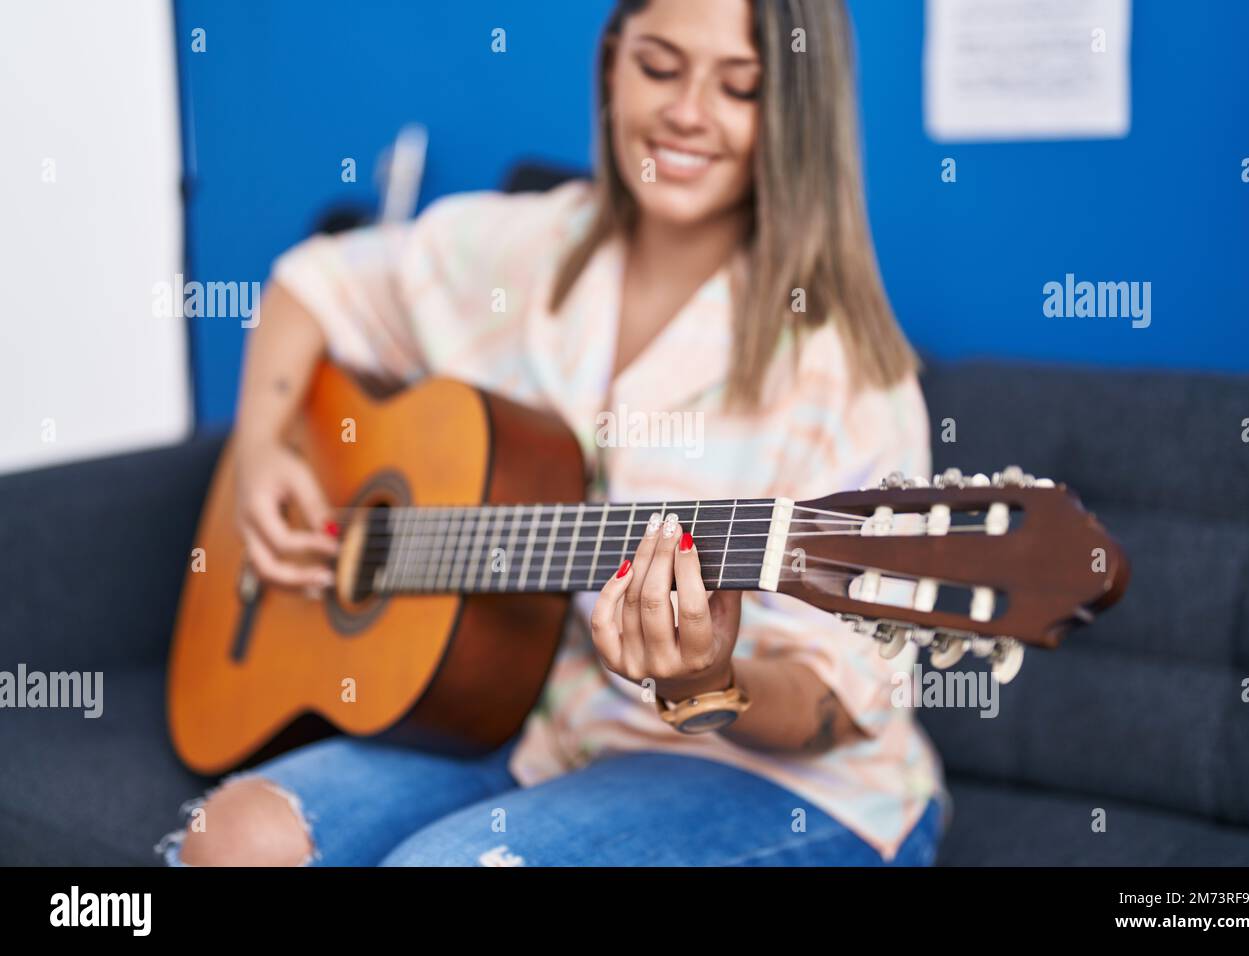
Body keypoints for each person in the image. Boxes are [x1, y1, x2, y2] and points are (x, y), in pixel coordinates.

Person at [160, 0, 947, 867]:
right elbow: (314, 283)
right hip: (514, 719)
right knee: (233, 838)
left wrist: (702, 684)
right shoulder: (518, 249)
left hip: (772, 778)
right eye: (658, 66)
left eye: (741, 87)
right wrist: (266, 446)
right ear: (611, 65)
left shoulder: (849, 374)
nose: (686, 110)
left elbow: (830, 703)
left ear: (797, 114)